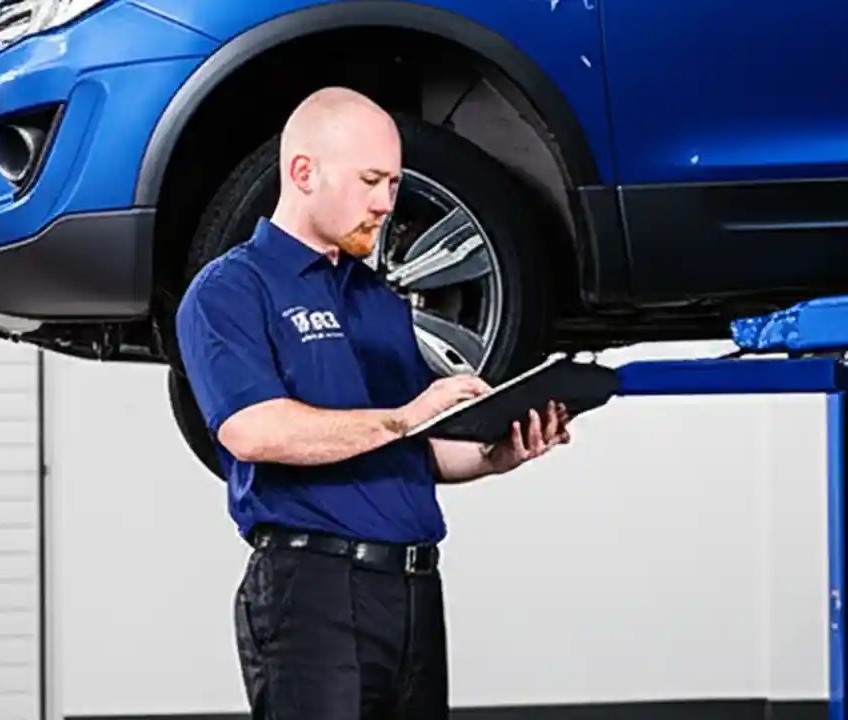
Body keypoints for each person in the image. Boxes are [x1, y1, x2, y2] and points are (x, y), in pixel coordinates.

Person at [174, 86, 573, 720]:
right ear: (304, 172)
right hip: (313, 594)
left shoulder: (378, 301)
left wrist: (497, 454)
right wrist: (407, 415)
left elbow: (420, 448)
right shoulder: (231, 290)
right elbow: (253, 431)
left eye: (393, 183)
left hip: (413, 589)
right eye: (370, 180)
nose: (387, 203)